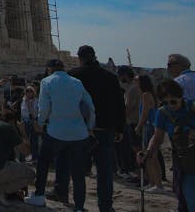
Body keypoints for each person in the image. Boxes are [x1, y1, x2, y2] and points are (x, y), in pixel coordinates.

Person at [25, 59, 96, 211]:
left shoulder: (47, 81)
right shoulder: (76, 82)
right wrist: (90, 127)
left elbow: (44, 106)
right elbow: (90, 106)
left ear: (49, 69)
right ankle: (79, 206)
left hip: (56, 131)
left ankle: (39, 195)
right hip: (79, 133)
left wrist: (40, 122)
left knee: (43, 162)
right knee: (78, 172)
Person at [68, 45, 126, 212]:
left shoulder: (73, 76)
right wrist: (120, 128)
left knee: (78, 170)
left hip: (80, 129)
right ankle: (105, 206)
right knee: (104, 171)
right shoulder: (110, 77)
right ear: (94, 56)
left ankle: (79, 206)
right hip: (104, 128)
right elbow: (119, 104)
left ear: (80, 58)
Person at [138, 79, 195, 212]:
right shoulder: (163, 113)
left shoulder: (192, 108)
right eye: (165, 102)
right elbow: (157, 138)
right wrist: (147, 152)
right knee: (188, 197)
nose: (170, 105)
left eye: (173, 101)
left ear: (181, 96)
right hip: (184, 162)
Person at [136, 74, 164, 192]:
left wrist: (139, 125)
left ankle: (158, 184)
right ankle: (153, 182)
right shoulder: (150, 94)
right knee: (148, 156)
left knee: (151, 156)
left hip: (150, 126)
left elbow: (145, 112)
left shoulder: (146, 95)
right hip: (150, 126)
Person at [117, 65, 141, 179]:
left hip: (132, 121)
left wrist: (120, 120)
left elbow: (128, 107)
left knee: (133, 149)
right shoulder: (135, 87)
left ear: (125, 75)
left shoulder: (132, 89)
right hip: (136, 121)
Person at [21, 85, 39, 161]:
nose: (29, 93)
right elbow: (22, 112)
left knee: (34, 140)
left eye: (30, 91)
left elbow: (38, 111)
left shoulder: (37, 101)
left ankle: (34, 157)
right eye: (27, 91)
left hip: (34, 121)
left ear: (33, 92)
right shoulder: (23, 101)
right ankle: (23, 158)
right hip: (25, 121)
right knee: (25, 140)